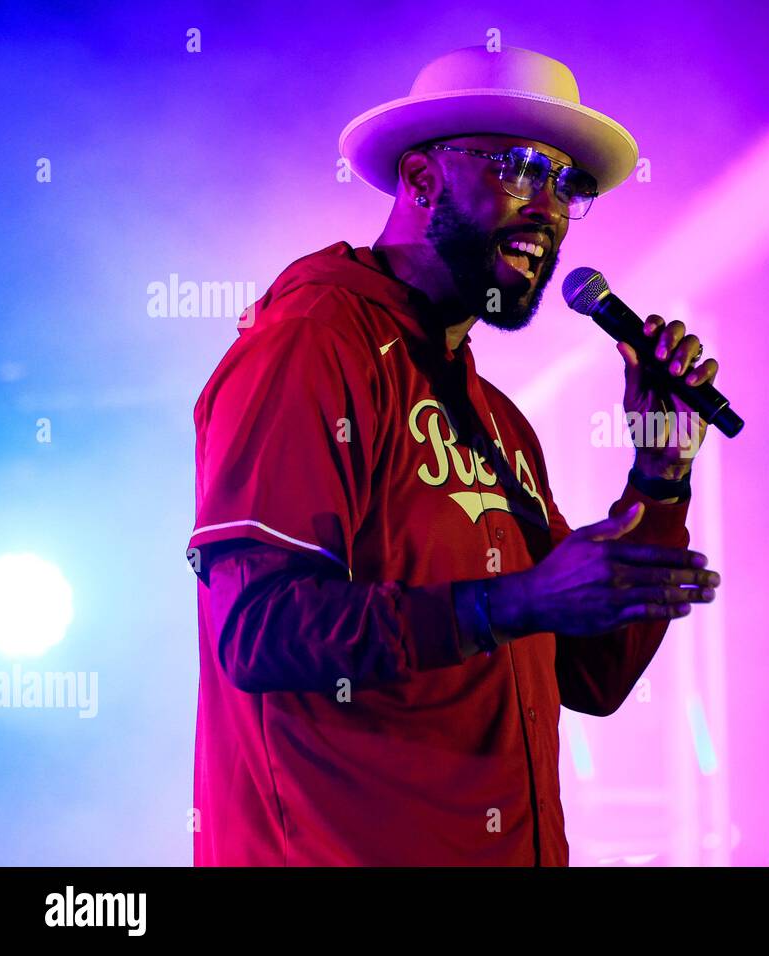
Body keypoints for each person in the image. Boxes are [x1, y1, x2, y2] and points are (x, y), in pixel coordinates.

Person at [186, 45, 723, 865]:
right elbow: (258, 630)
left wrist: (659, 473)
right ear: (421, 178)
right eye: (519, 168)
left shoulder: (497, 421)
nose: (548, 207)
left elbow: (593, 676)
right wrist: (511, 602)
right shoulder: (311, 345)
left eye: (565, 183)